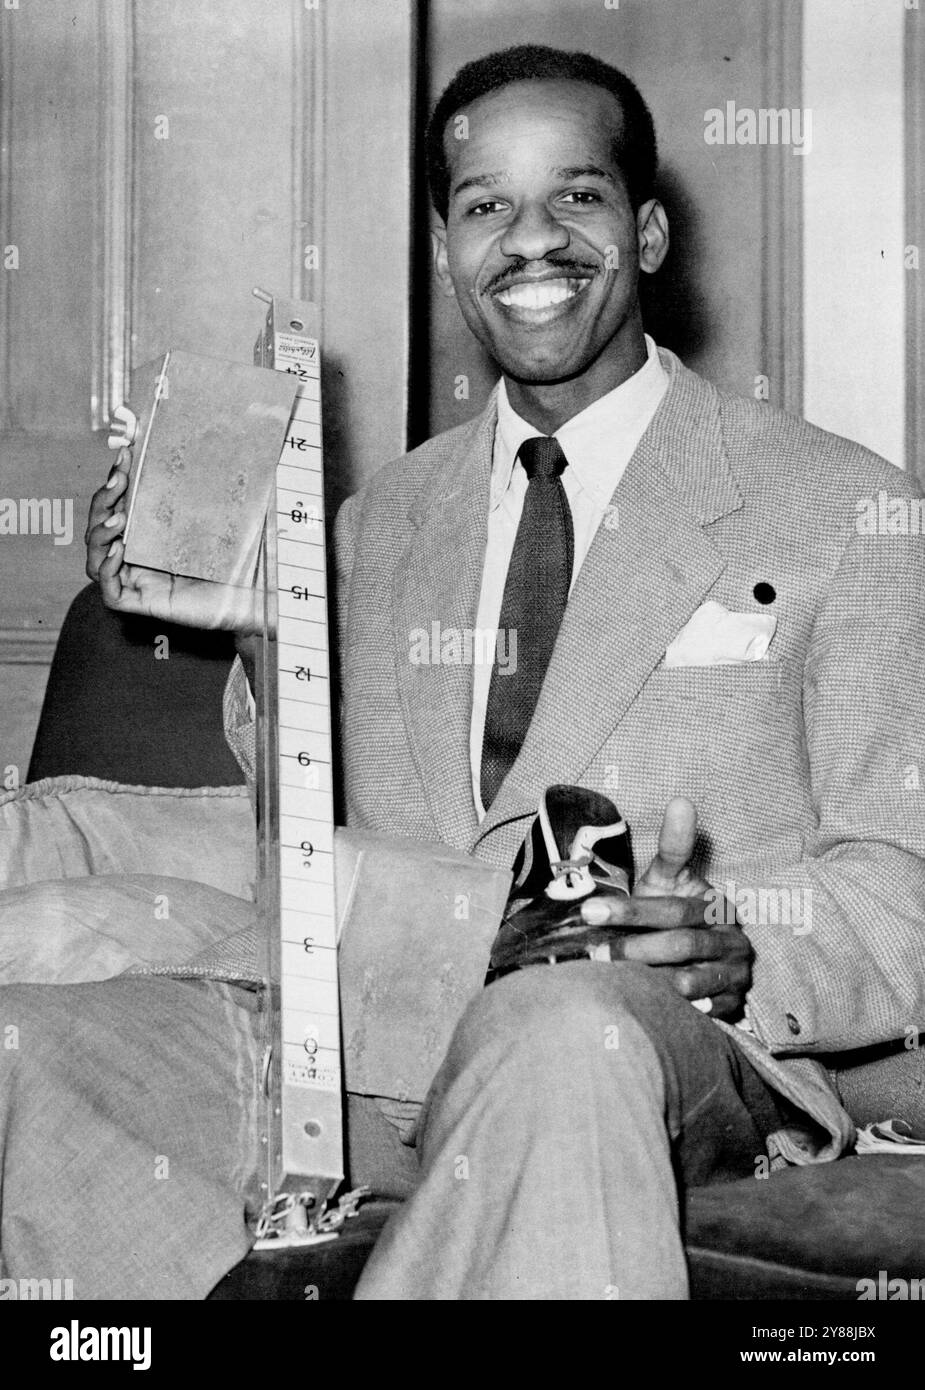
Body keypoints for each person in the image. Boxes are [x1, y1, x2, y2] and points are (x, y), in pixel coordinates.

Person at [10, 43, 925, 1300]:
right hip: (364, 1042)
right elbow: (311, 833)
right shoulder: (371, 521)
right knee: (31, 1042)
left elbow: (904, 878)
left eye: (577, 195)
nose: (531, 238)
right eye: (488, 204)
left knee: (564, 1021)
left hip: (647, 1040)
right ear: (448, 252)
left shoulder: (847, 510)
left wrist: (733, 935)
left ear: (649, 232)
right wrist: (255, 628)